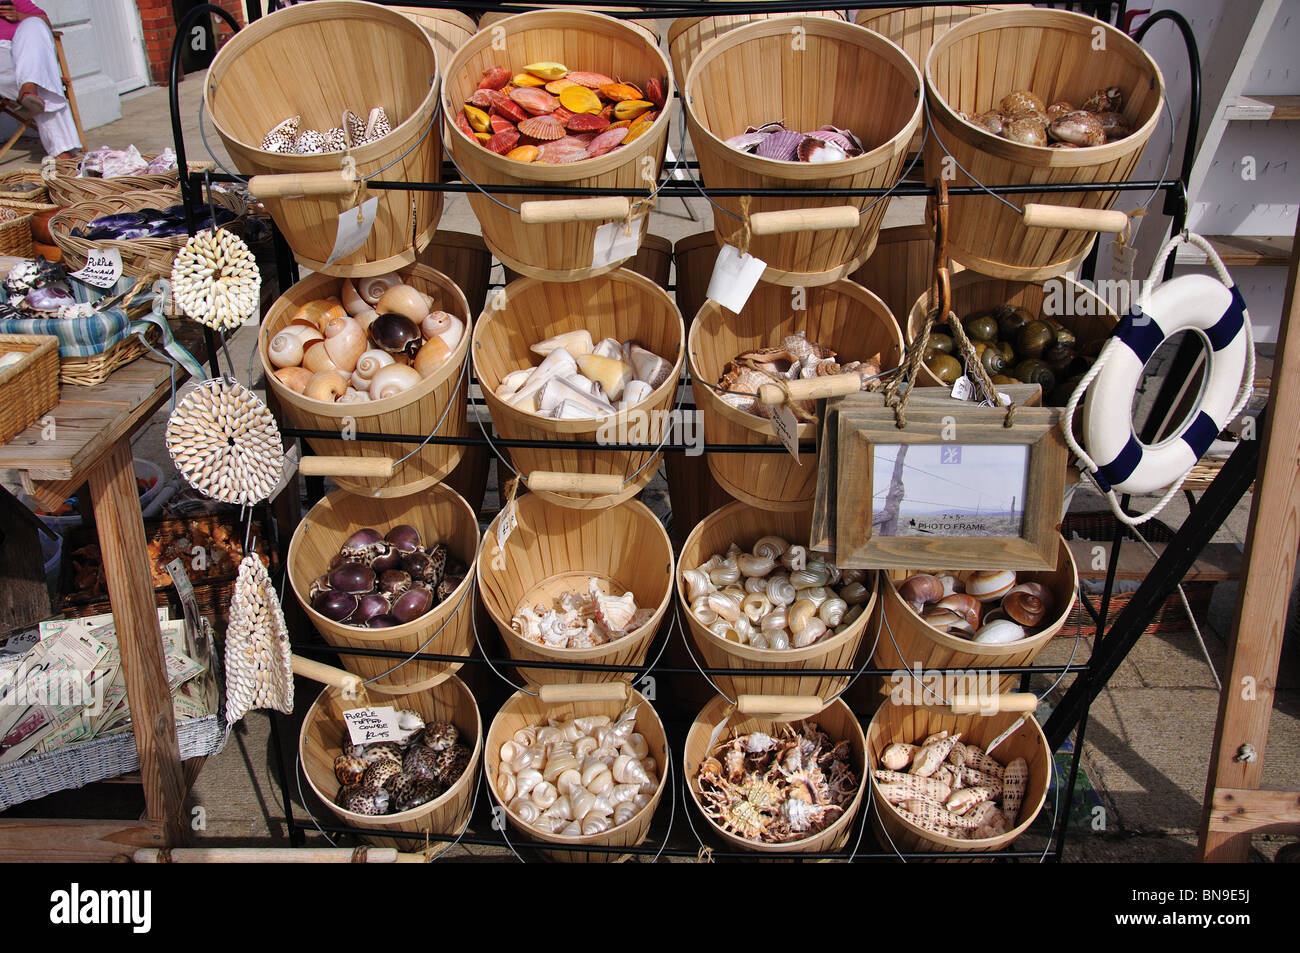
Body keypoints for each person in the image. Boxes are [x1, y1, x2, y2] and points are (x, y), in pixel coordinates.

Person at [0, 0, 79, 158]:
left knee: (34, 23)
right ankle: (62, 154)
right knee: (42, 80)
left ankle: (29, 88)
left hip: (23, 56)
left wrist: (18, 16)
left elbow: (45, 23)